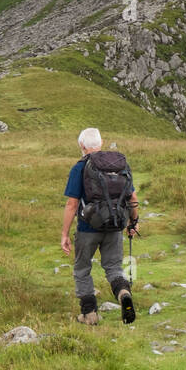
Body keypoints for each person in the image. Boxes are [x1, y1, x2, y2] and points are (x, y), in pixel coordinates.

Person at [60, 128, 139, 325]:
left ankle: (89, 314)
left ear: (82, 146)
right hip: (114, 226)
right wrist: (133, 222)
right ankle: (123, 293)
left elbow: (72, 204)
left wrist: (64, 234)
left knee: (82, 269)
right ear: (101, 143)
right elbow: (133, 198)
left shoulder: (80, 167)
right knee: (113, 267)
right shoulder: (120, 165)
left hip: (88, 229)